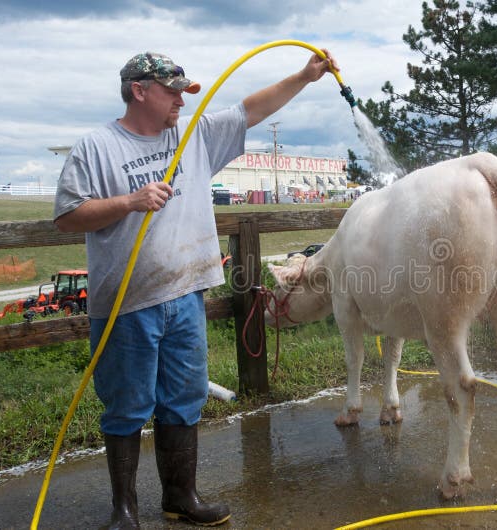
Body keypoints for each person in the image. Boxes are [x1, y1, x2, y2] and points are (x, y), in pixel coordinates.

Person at [53, 50, 339, 529]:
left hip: (187, 297)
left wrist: (305, 77)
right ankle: (124, 511)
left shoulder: (194, 136)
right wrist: (129, 202)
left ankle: (180, 497)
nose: (180, 104)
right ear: (139, 90)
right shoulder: (97, 147)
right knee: (126, 407)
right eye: (171, 93)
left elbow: (252, 109)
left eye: (184, 94)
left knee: (183, 399)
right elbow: (67, 216)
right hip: (127, 304)